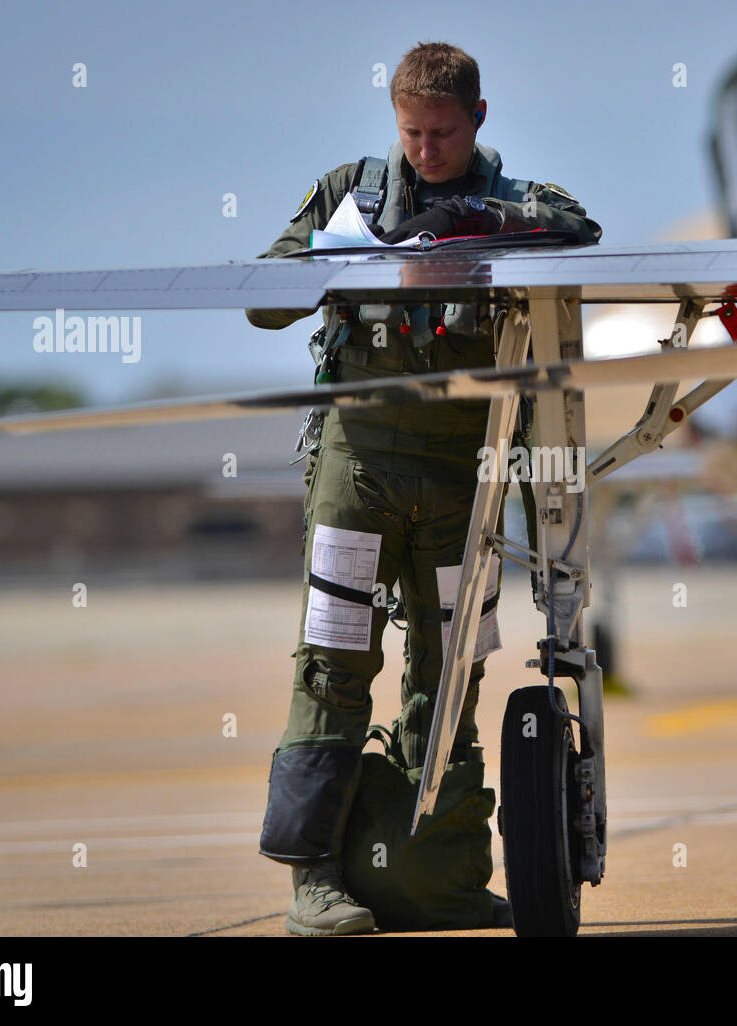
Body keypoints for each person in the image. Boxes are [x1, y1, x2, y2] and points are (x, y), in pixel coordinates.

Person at [245, 41, 602, 936]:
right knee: (333, 667)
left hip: (462, 481)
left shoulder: (520, 205)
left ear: (478, 118)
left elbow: (582, 234)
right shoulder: (348, 196)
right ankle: (314, 883)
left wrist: (475, 231)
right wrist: (356, 257)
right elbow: (263, 297)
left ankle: (440, 876)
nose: (425, 150)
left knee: (454, 672)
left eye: (441, 132)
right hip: (357, 473)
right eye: (411, 132)